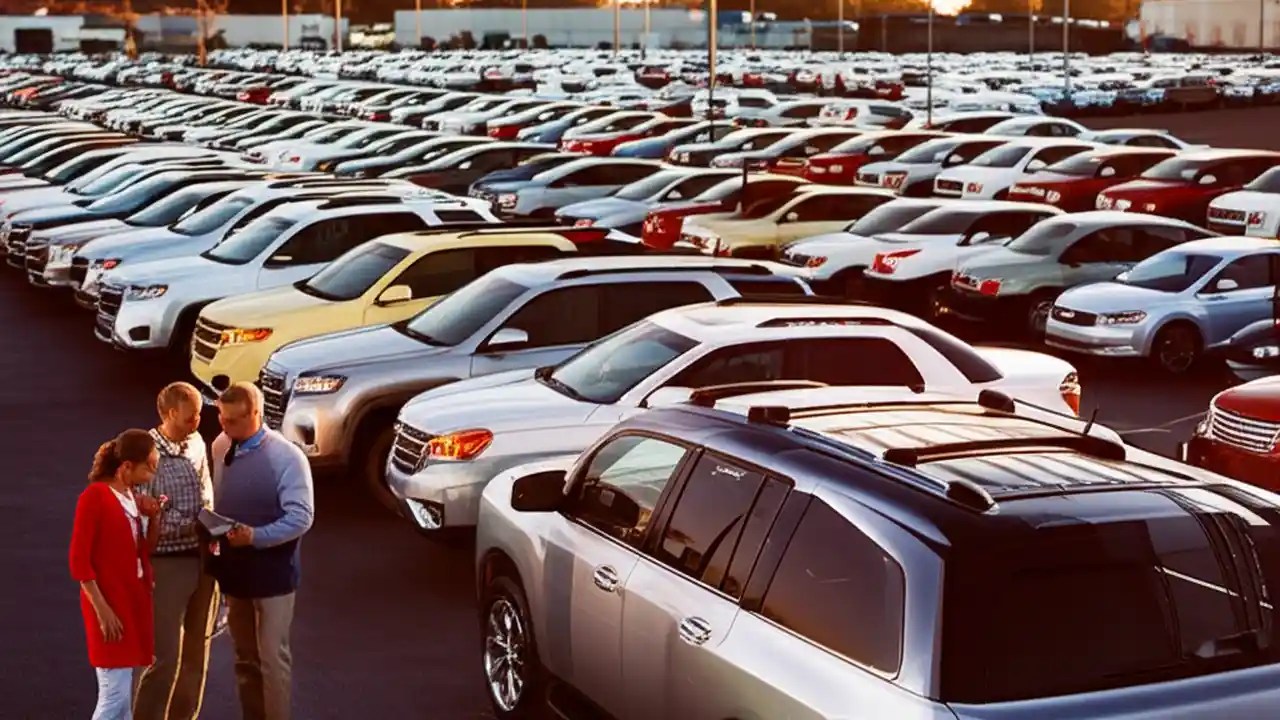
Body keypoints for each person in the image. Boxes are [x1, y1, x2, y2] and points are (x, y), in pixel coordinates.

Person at [209, 382, 315, 720]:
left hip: (274, 577)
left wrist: (255, 536)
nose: (225, 427)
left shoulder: (287, 457)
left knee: (272, 659)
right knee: (244, 657)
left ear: (256, 413)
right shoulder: (221, 445)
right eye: (222, 419)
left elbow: (301, 516)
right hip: (235, 574)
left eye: (233, 421)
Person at [134, 382, 218, 720]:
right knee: (164, 656)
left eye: (199, 414)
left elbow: (206, 495)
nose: (197, 421)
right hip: (166, 565)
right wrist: (183, 525)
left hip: (203, 558)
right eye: (189, 417)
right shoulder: (145, 455)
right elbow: (139, 521)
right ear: (169, 414)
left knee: (198, 650)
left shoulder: (196, 442)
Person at [70, 430, 161, 720]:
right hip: (109, 604)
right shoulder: (94, 497)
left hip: (130, 600)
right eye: (150, 467)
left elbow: (144, 548)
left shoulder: (131, 497)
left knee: (123, 699)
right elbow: (79, 560)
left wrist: (155, 516)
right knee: (114, 694)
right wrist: (103, 610)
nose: (153, 474)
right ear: (126, 467)